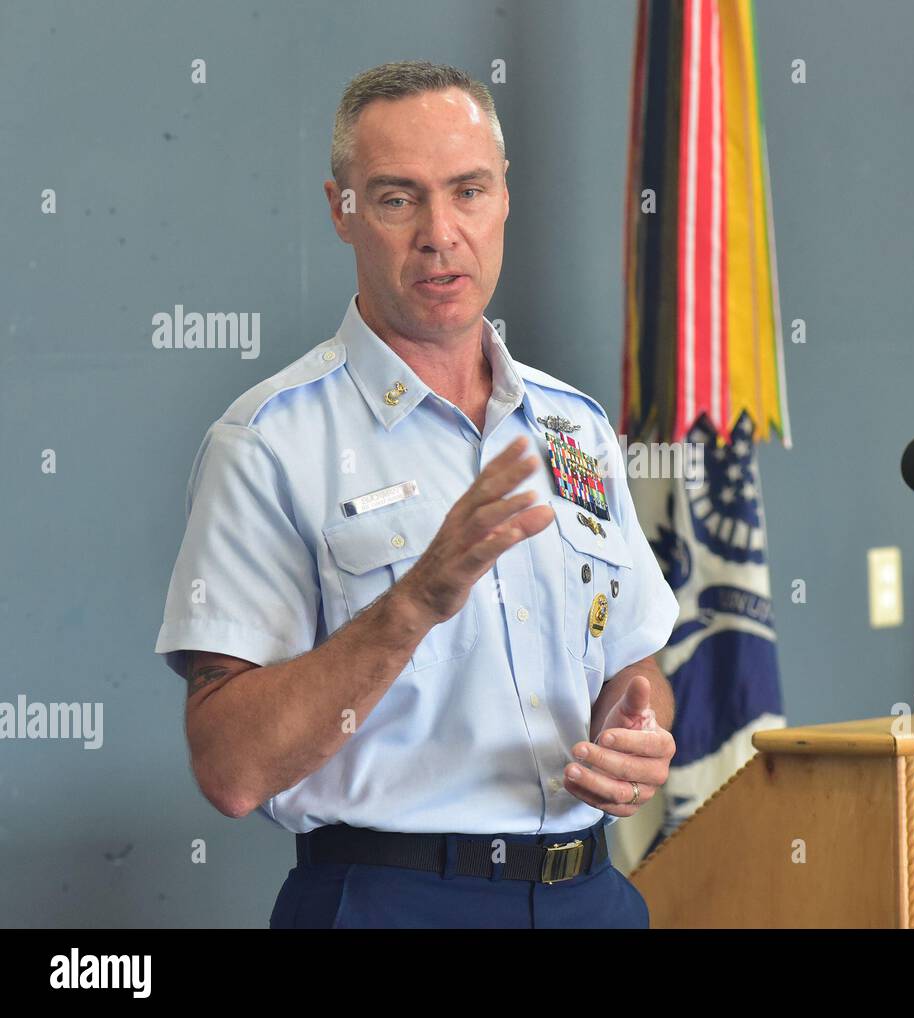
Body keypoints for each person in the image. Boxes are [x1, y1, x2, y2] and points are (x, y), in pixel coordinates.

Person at [154, 61, 680, 928]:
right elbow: (230, 770)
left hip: (593, 895)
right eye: (398, 199)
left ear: (504, 197)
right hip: (389, 898)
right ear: (343, 210)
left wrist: (640, 726)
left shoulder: (574, 427)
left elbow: (636, 665)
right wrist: (414, 604)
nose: (442, 232)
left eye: (467, 191)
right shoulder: (268, 444)